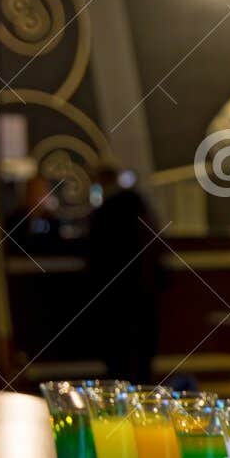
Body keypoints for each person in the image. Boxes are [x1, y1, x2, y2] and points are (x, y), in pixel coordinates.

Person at [84, 164, 166, 383]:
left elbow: (94, 255)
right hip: (145, 301)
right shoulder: (142, 208)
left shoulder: (104, 214)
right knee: (142, 367)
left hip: (115, 304)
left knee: (118, 368)